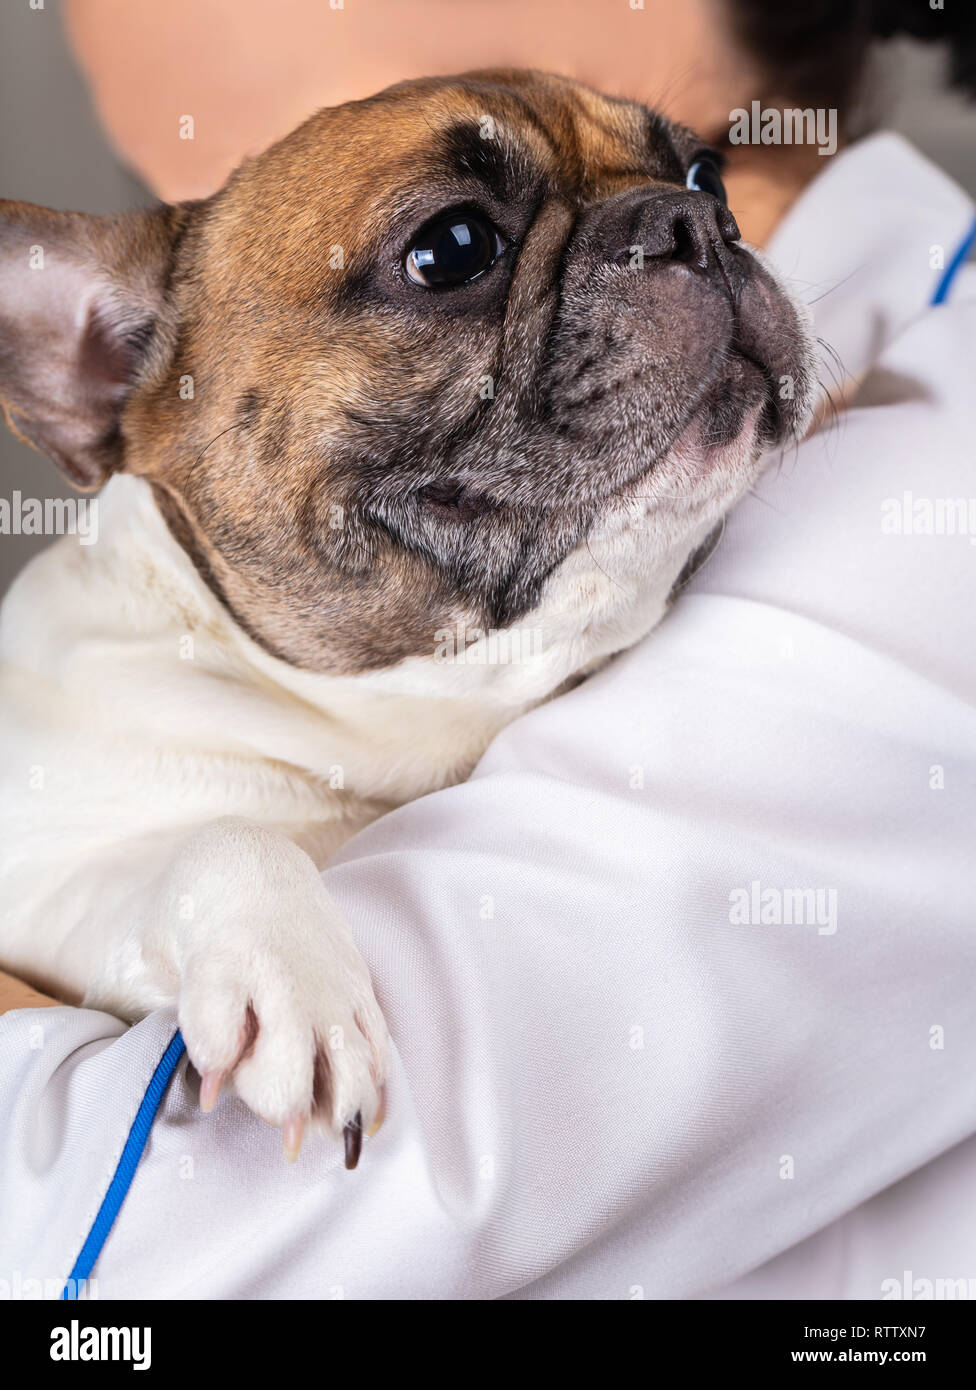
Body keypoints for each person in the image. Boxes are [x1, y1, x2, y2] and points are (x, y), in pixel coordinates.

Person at [1, 0, 975, 1298]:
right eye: (458, 247)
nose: (682, 235)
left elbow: (155, 1252)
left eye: (694, 195)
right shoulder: (84, 708)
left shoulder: (923, 502)